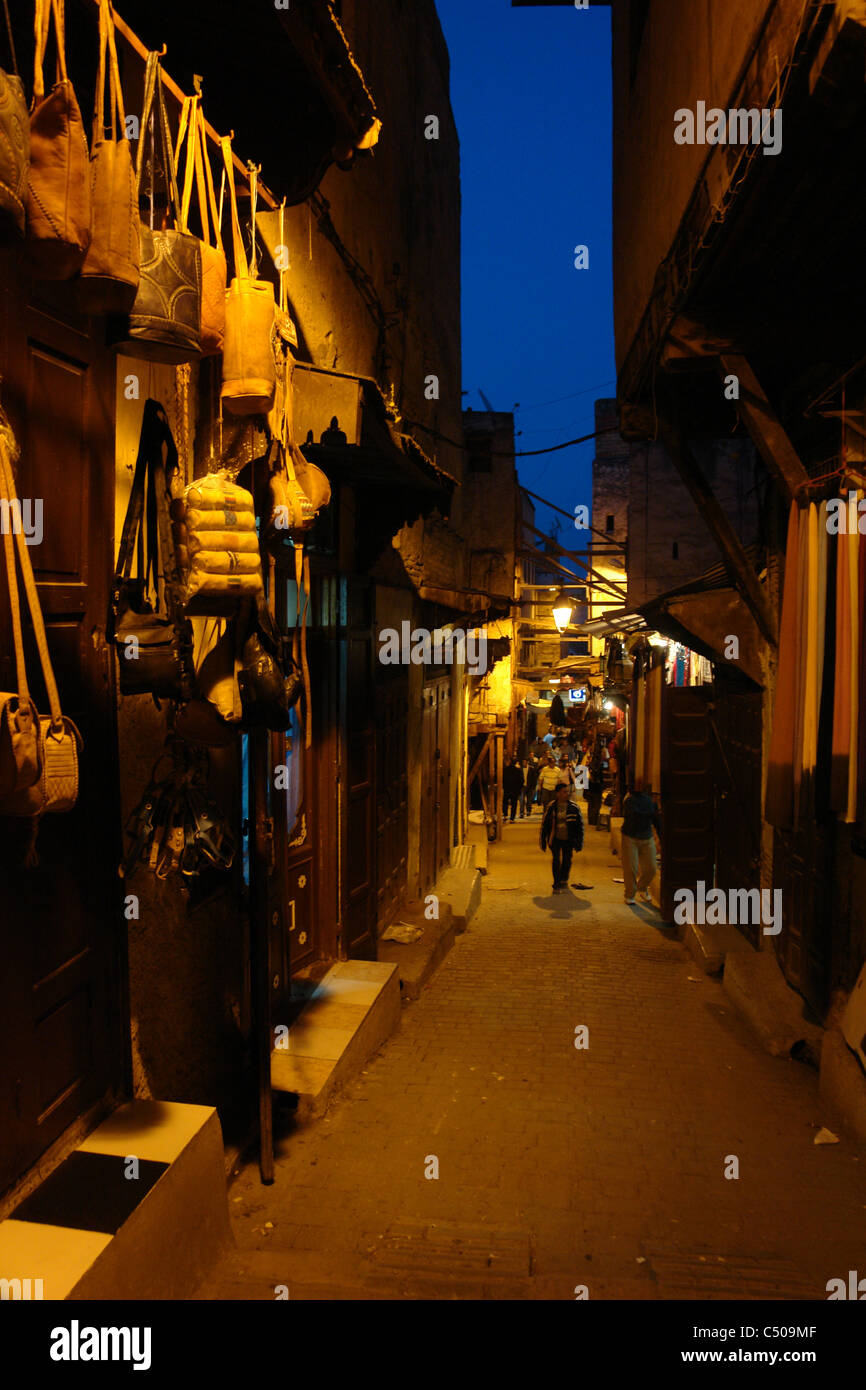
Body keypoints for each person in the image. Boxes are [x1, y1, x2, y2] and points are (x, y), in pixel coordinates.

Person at [540, 781, 585, 893]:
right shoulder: (551, 807)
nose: (567, 794)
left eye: (567, 792)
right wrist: (543, 841)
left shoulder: (574, 808)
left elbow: (580, 826)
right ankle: (556, 883)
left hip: (568, 838)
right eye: (564, 792)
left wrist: (579, 842)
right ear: (558, 793)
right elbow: (545, 824)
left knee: (567, 859)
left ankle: (564, 879)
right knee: (556, 860)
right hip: (554, 838)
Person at [621, 781, 661, 905]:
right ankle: (630, 893)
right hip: (630, 837)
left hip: (646, 837)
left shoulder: (648, 802)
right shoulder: (630, 801)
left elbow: (656, 820)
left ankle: (642, 887)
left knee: (651, 868)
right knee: (630, 868)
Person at [502, 757, 524, 823]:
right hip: (515, 790)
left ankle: (505, 815)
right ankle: (512, 818)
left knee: (505, 803)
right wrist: (519, 789)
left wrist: (504, 786)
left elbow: (502, 779)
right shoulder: (518, 771)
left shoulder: (505, 770)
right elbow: (522, 781)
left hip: (507, 789)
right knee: (514, 804)